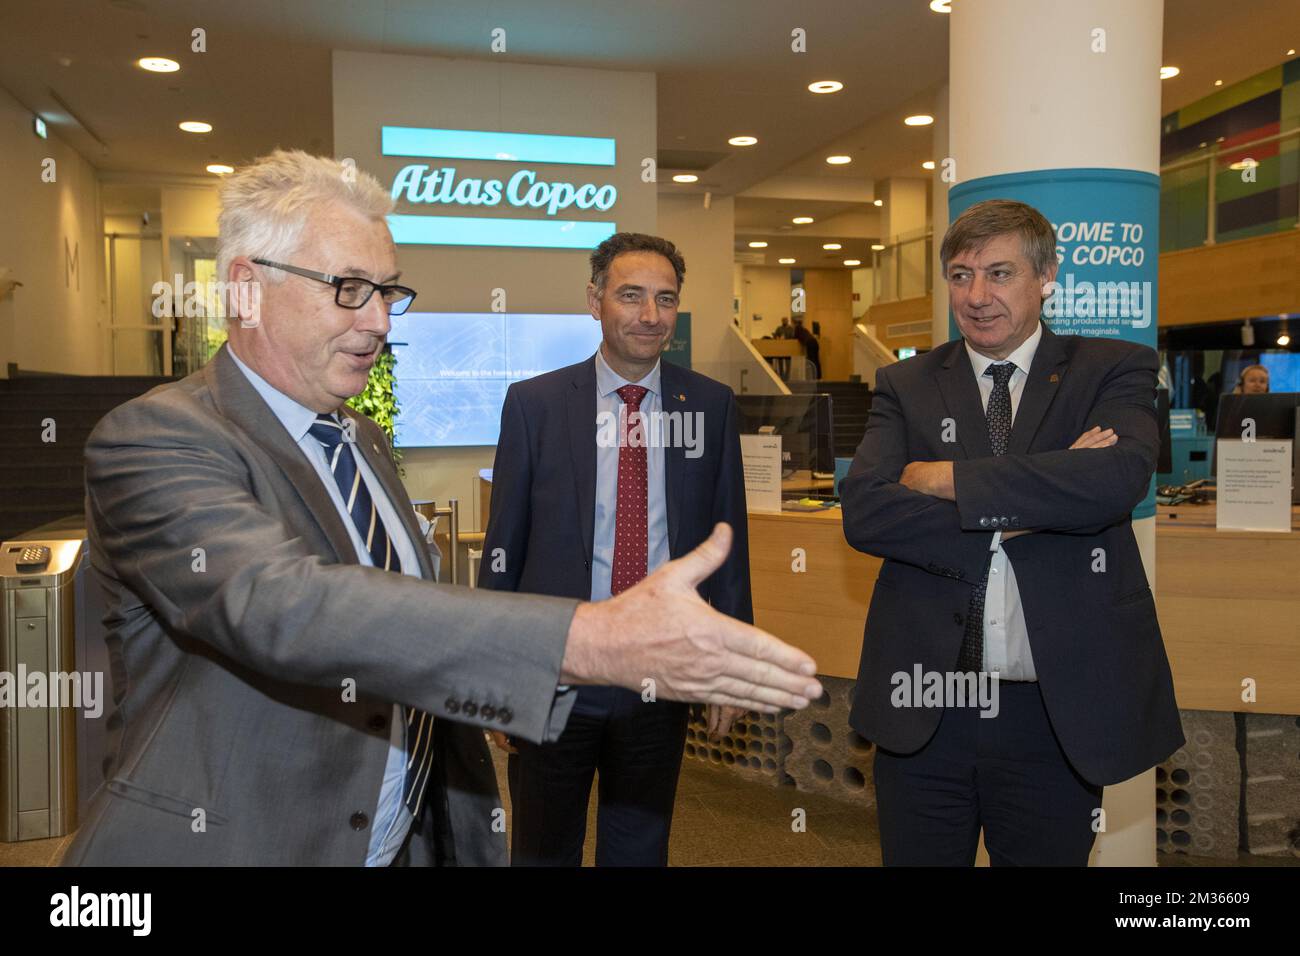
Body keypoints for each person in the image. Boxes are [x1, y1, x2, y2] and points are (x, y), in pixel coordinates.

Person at [62, 151, 822, 867]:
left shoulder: (359, 437)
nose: (381, 322)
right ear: (245, 288)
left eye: (388, 292)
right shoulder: (157, 438)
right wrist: (588, 640)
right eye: (348, 288)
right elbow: (283, 606)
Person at [840, 198, 1183, 866]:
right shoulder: (907, 383)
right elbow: (866, 513)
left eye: (999, 273)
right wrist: (1041, 502)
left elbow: (1115, 481)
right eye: (961, 276)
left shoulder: (1112, 368)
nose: (977, 296)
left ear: (1046, 277)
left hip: (1055, 714)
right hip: (926, 706)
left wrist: (942, 479)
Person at [479, 233, 752, 866]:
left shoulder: (709, 406)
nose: (650, 315)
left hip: (657, 672)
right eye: (631, 296)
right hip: (558, 667)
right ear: (595, 300)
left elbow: (728, 547)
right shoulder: (536, 405)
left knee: (640, 848)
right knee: (542, 847)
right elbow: (504, 547)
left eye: (665, 299)